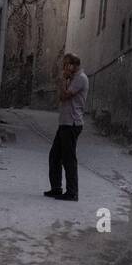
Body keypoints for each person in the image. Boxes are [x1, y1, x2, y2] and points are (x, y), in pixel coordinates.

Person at [45, 53, 88, 201]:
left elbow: (64, 96)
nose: (64, 67)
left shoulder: (80, 79)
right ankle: (56, 188)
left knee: (68, 159)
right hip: (65, 122)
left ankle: (72, 192)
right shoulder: (72, 78)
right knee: (55, 156)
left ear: (73, 65)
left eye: (66, 64)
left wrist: (63, 79)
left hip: (72, 123)